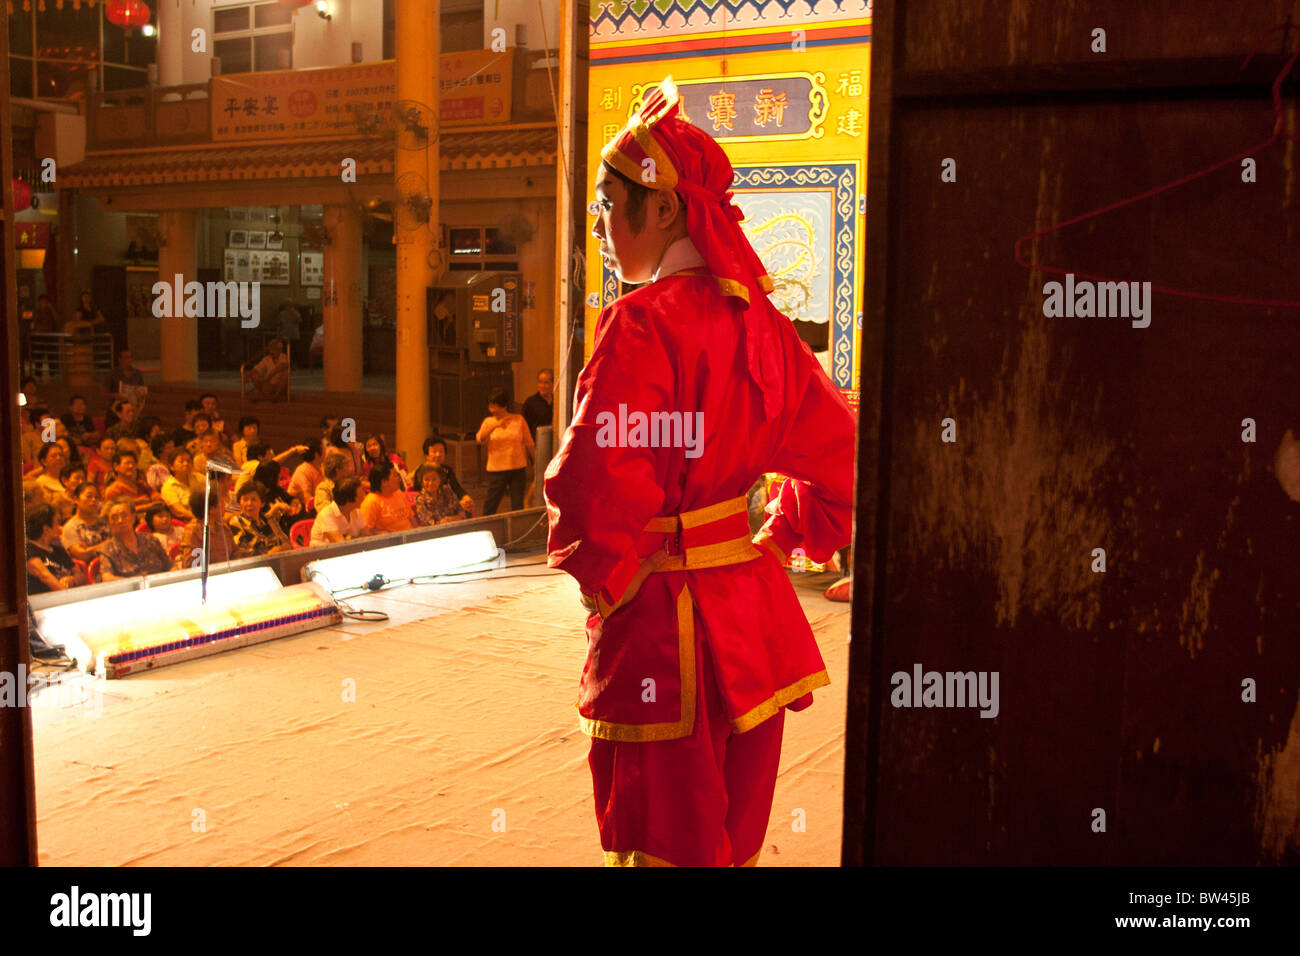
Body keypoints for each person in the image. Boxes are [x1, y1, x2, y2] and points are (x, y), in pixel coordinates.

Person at [543, 80, 856, 868]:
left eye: (615, 206)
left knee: (663, 846)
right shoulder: (767, 328)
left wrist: (605, 581)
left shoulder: (640, 325)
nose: (608, 228)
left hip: (660, 629)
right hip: (753, 624)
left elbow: (593, 483)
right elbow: (849, 461)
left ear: (667, 210)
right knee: (733, 843)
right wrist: (777, 538)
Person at [476, 388, 534, 514]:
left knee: (517, 503)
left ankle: (516, 530)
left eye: (496, 406)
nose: (493, 410)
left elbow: (529, 442)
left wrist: (534, 461)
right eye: (491, 406)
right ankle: (486, 526)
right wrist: (495, 425)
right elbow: (480, 439)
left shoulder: (518, 419)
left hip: (517, 467)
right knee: (491, 502)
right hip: (497, 469)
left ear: (505, 405)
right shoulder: (488, 422)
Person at [99, 497, 172, 581]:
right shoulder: (107, 549)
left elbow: (171, 565)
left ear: (133, 518)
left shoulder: (150, 540)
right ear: (109, 523)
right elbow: (107, 578)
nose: (120, 521)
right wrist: (137, 584)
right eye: (114, 517)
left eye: (124, 515)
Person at [25, 504, 85, 593]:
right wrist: (71, 597)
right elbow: (46, 577)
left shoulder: (59, 550)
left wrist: (73, 579)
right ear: (46, 529)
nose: (60, 527)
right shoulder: (29, 551)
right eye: (57, 522)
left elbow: (81, 576)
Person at [226, 482, 291, 557]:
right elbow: (242, 552)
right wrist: (268, 554)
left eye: (253, 499)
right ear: (240, 503)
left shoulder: (269, 519)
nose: (249, 503)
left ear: (262, 503)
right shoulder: (236, 522)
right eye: (245, 499)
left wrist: (281, 548)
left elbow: (286, 542)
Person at [175, 489, 235, 569]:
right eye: (221, 502)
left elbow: (235, 553)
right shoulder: (192, 532)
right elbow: (193, 565)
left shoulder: (223, 527)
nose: (225, 505)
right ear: (211, 509)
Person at [421, 437, 475, 516]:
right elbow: (428, 498)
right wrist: (458, 505)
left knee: (468, 508)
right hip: (434, 510)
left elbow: (457, 488)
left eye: (441, 451)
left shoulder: (447, 470)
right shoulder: (422, 472)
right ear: (427, 455)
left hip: (450, 504)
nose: (438, 454)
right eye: (434, 451)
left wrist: (466, 498)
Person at [60, 482, 111, 563]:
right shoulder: (70, 527)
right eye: (89, 496)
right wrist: (108, 544)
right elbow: (82, 555)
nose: (94, 500)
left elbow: (120, 543)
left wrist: (89, 549)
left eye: (96, 497)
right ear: (75, 499)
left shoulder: (105, 520)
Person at [310, 477, 368, 545]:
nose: (364, 497)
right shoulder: (326, 515)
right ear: (349, 500)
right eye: (361, 495)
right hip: (323, 554)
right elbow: (341, 546)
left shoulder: (356, 511)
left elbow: (367, 536)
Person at [359, 461, 413, 533]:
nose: (399, 478)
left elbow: (411, 518)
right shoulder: (370, 502)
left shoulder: (398, 493)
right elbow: (366, 531)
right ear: (384, 482)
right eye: (395, 475)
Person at [102, 447, 153, 512]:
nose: (131, 466)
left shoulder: (142, 485)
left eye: (133, 463)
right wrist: (145, 506)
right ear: (116, 466)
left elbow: (159, 501)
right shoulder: (113, 491)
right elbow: (117, 512)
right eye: (127, 463)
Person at [160, 447, 203, 521]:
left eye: (188, 461)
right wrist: (202, 518)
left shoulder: (198, 477)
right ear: (171, 466)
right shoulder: (168, 487)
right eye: (181, 461)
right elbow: (180, 511)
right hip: (186, 521)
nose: (186, 464)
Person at [287, 438, 325, 510]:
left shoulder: (320, 467)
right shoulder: (302, 471)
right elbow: (308, 499)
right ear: (316, 455)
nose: (326, 451)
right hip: (298, 509)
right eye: (323, 449)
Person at [248, 337, 290, 402]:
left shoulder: (283, 357)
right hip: (269, 385)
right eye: (271, 349)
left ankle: (276, 396)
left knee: (285, 374)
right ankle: (262, 395)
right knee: (255, 375)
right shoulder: (267, 358)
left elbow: (282, 366)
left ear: (279, 350)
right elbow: (256, 368)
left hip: (280, 385)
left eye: (274, 349)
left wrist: (268, 376)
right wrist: (247, 375)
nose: (271, 351)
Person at [522, 368, 555, 441]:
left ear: (553, 384)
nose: (542, 386)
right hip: (537, 442)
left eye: (546, 383)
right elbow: (524, 427)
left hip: (555, 440)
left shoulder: (557, 402)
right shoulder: (530, 403)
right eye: (540, 382)